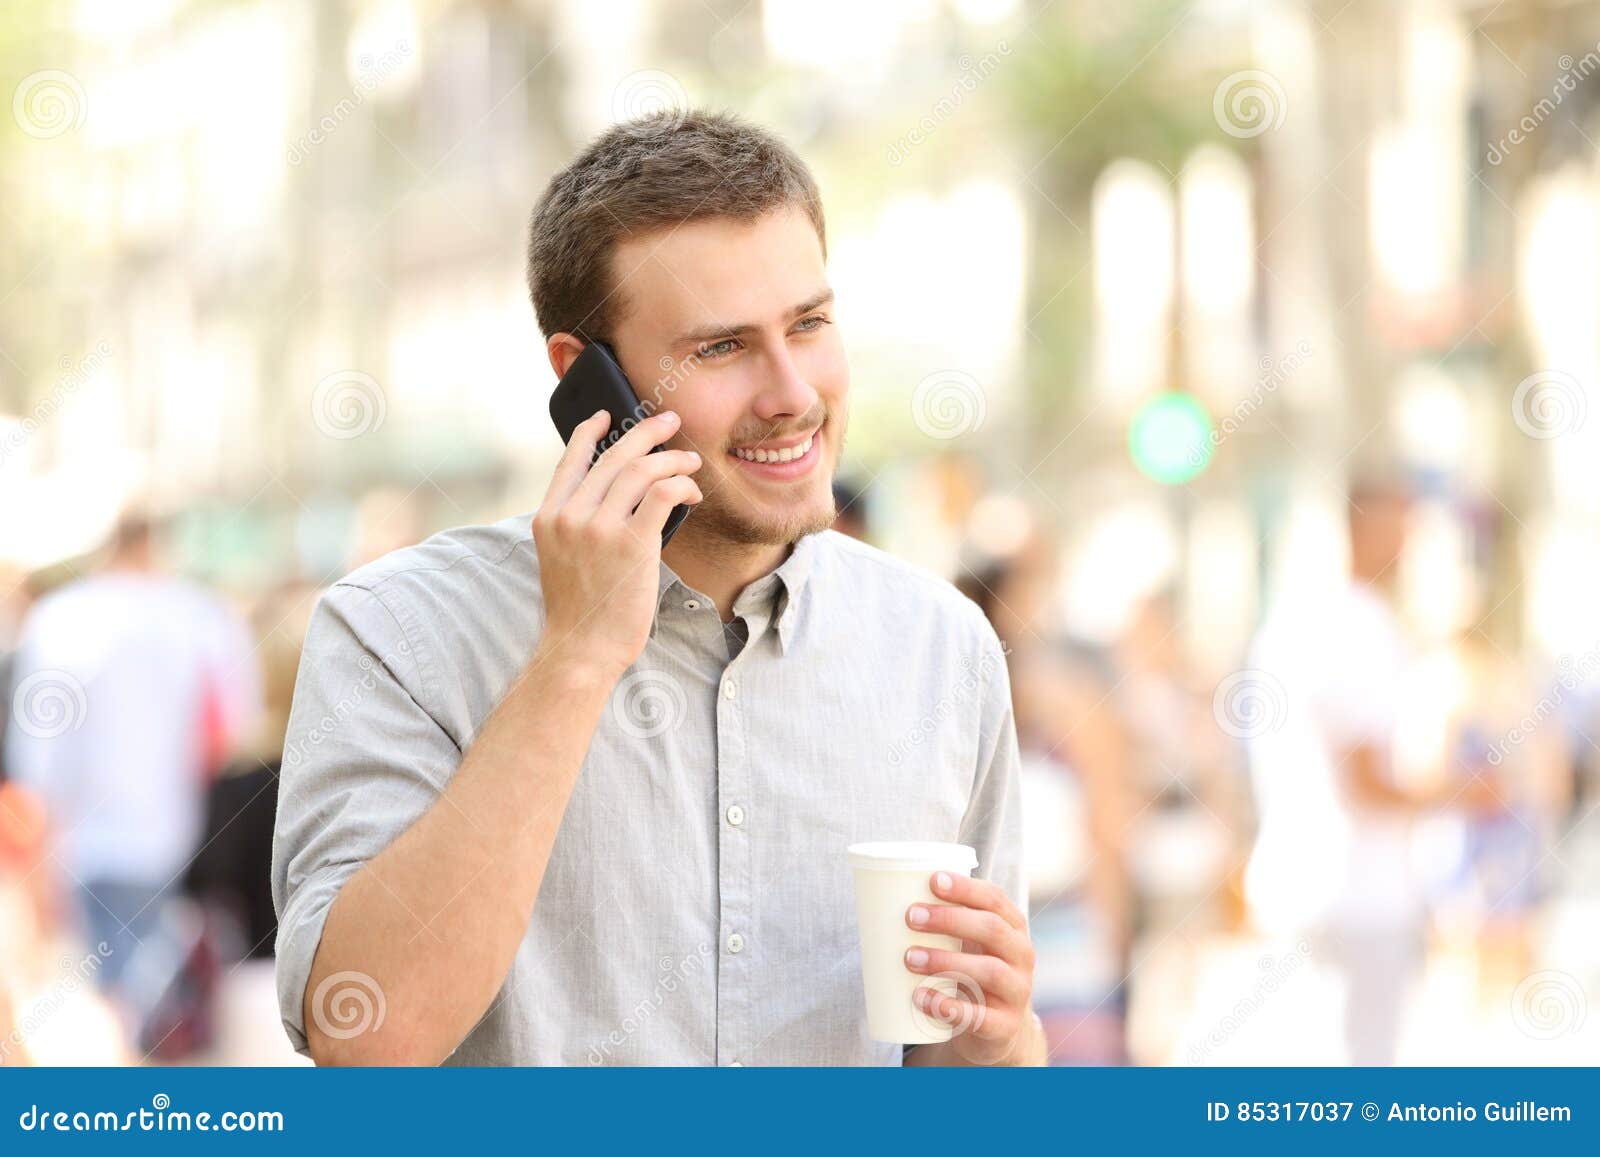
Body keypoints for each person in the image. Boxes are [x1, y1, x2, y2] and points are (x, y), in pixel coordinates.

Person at [272, 111, 1042, 1067]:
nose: (793, 392)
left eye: (808, 323)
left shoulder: (943, 648)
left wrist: (999, 1042)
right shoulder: (396, 633)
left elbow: (960, 1078)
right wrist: (576, 654)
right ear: (587, 380)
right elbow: (371, 1040)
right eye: (722, 348)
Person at [1243, 480, 1500, 1064]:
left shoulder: (1289, 619)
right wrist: (1465, 793)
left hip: (1302, 886)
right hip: (1356, 896)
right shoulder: (1358, 623)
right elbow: (1365, 783)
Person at [4, 515, 259, 1019]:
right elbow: (232, 729)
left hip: (84, 845)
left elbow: (37, 757)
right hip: (178, 836)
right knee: (154, 1000)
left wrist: (35, 868)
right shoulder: (201, 615)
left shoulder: (59, 619)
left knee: (113, 999)